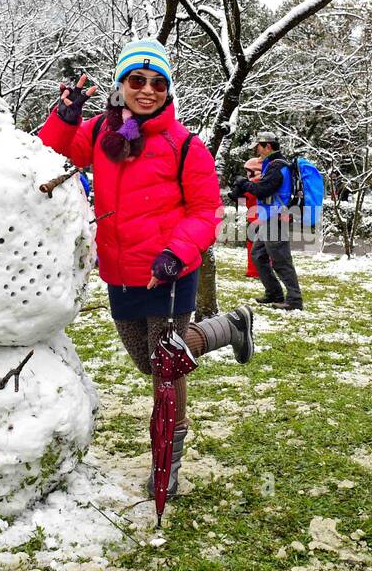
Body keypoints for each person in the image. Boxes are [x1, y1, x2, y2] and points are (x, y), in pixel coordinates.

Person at [38, 38, 254, 498]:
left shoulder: (185, 146)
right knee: (145, 361)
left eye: (158, 82)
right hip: (120, 271)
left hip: (170, 272)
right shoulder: (99, 134)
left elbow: (205, 211)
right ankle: (231, 325)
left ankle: (165, 469)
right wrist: (67, 115)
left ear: (168, 90)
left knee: (166, 369)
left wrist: (177, 252)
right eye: (137, 80)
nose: (148, 90)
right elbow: (47, 155)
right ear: (121, 86)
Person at [232, 132, 303, 311]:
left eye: (258, 146)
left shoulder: (277, 166)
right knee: (258, 255)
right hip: (269, 218)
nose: (257, 150)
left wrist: (244, 183)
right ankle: (274, 293)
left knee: (281, 260)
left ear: (268, 146)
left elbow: (263, 190)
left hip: (277, 219)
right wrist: (246, 184)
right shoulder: (273, 165)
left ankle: (294, 300)